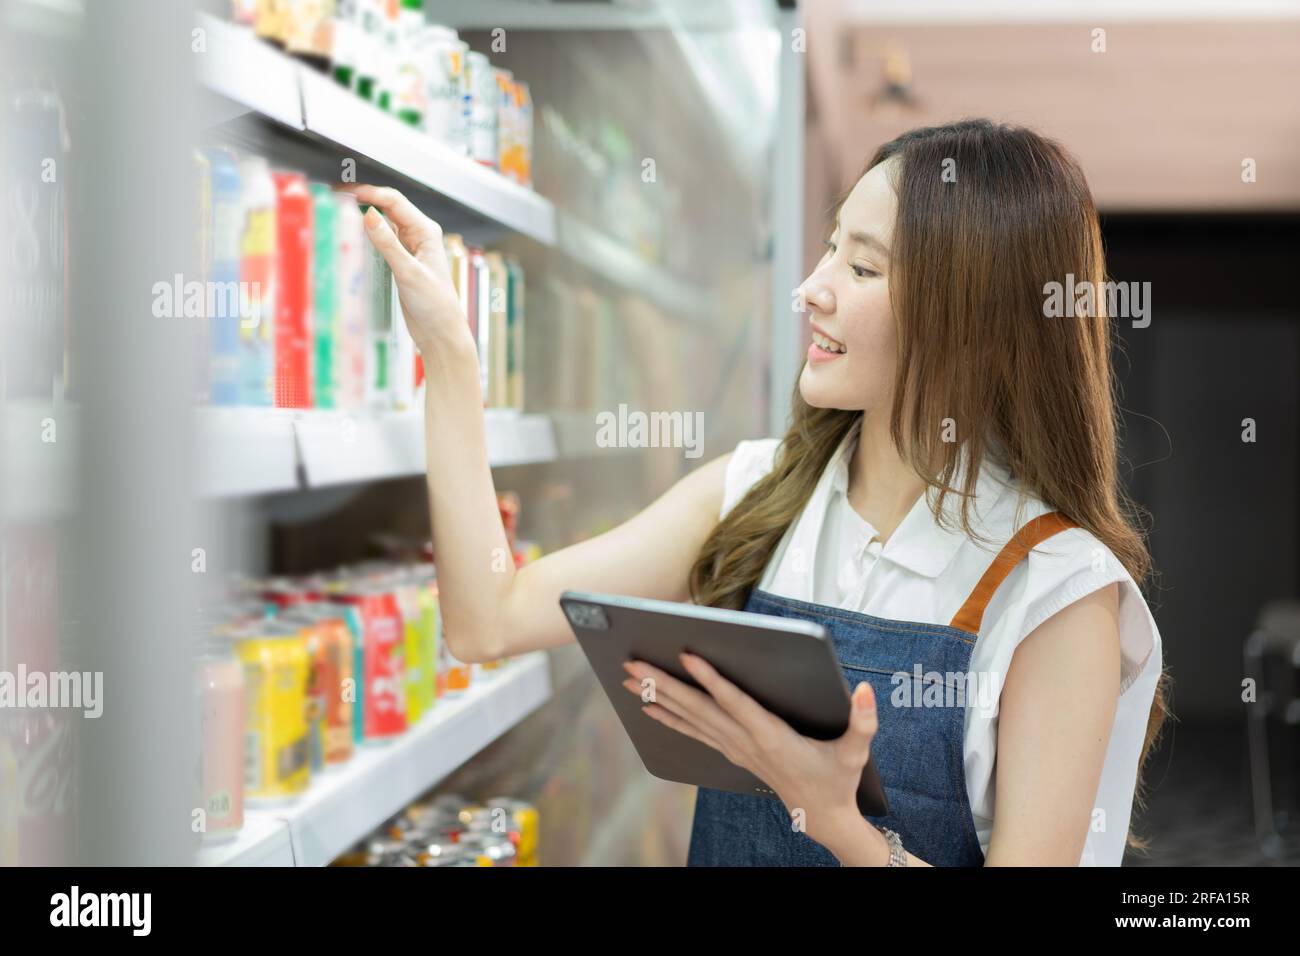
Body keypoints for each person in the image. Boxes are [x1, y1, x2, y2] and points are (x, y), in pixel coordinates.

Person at [341, 117, 1168, 867]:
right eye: (829, 247)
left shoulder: (1056, 591)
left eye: (863, 265)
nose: (813, 287)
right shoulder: (754, 491)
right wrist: (451, 354)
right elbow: (488, 620)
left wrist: (833, 817)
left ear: (972, 319)